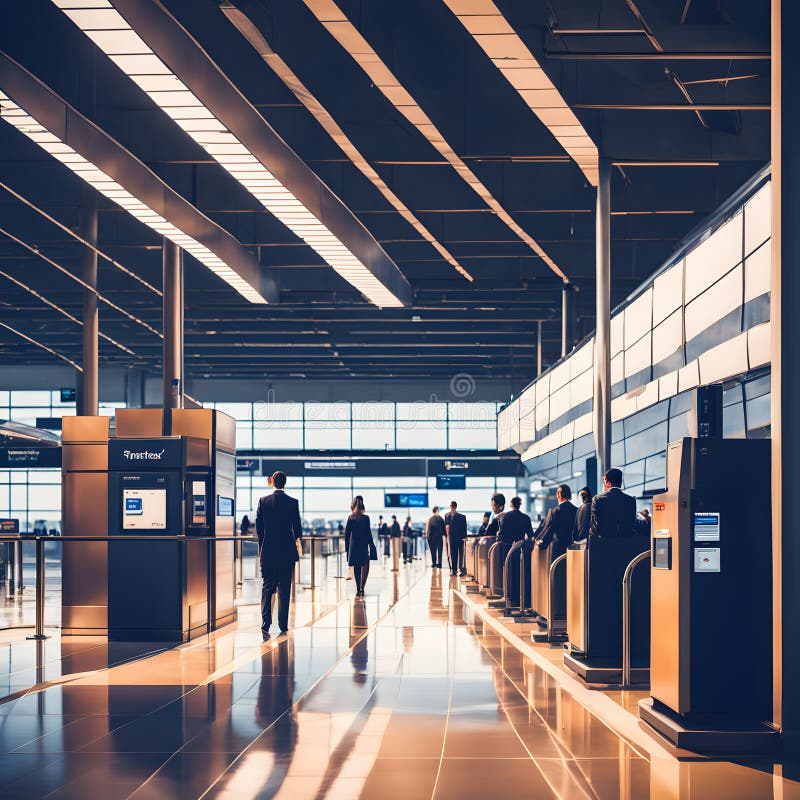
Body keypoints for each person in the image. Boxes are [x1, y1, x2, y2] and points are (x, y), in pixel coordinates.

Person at [256, 471, 302, 638]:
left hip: (268, 551)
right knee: (284, 588)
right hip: (287, 552)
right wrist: (296, 540)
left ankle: (265, 623)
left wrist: (263, 545)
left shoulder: (263, 501)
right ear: (285, 483)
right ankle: (283, 624)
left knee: (267, 586)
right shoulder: (293, 502)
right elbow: (297, 528)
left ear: (272, 482)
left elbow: (259, 528)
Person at [589, 468, 637, 539]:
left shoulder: (598, 499)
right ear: (620, 481)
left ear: (606, 480)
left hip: (604, 544)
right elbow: (632, 525)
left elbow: (594, 527)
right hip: (625, 544)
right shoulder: (631, 500)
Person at [344, 495, 376, 596]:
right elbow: (368, 533)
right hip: (363, 545)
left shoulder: (351, 517)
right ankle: (362, 586)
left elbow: (346, 535)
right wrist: (371, 545)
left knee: (357, 568)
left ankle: (358, 588)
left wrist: (347, 550)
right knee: (364, 565)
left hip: (354, 546)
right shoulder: (366, 518)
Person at [535, 485, 577, 560]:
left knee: (556, 569)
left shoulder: (553, 511)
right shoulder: (576, 510)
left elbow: (549, 529)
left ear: (558, 494)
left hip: (558, 547)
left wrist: (542, 544)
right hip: (572, 547)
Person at [444, 500, 468, 576]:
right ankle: (453, 570)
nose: (452, 508)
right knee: (453, 554)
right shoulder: (447, 516)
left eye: (453, 506)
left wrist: (465, 537)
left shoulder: (462, 517)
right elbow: (446, 527)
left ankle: (460, 569)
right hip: (452, 538)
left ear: (455, 507)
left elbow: (464, 528)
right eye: (451, 506)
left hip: (460, 538)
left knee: (461, 555)